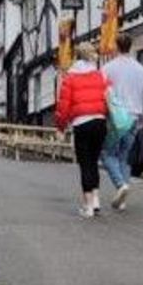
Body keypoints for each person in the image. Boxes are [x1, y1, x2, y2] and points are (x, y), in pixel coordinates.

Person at [56, 42, 108, 218]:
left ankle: (88, 207)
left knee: (85, 163)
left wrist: (60, 127)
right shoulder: (99, 75)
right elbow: (107, 98)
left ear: (76, 56)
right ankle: (96, 201)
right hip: (100, 122)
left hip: (82, 123)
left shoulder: (70, 77)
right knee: (94, 162)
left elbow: (64, 105)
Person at [101, 33, 143, 211]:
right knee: (125, 157)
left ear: (116, 46)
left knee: (108, 154)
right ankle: (122, 198)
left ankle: (121, 185)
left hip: (115, 117)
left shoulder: (107, 68)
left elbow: (103, 93)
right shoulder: (141, 70)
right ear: (130, 47)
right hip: (134, 118)